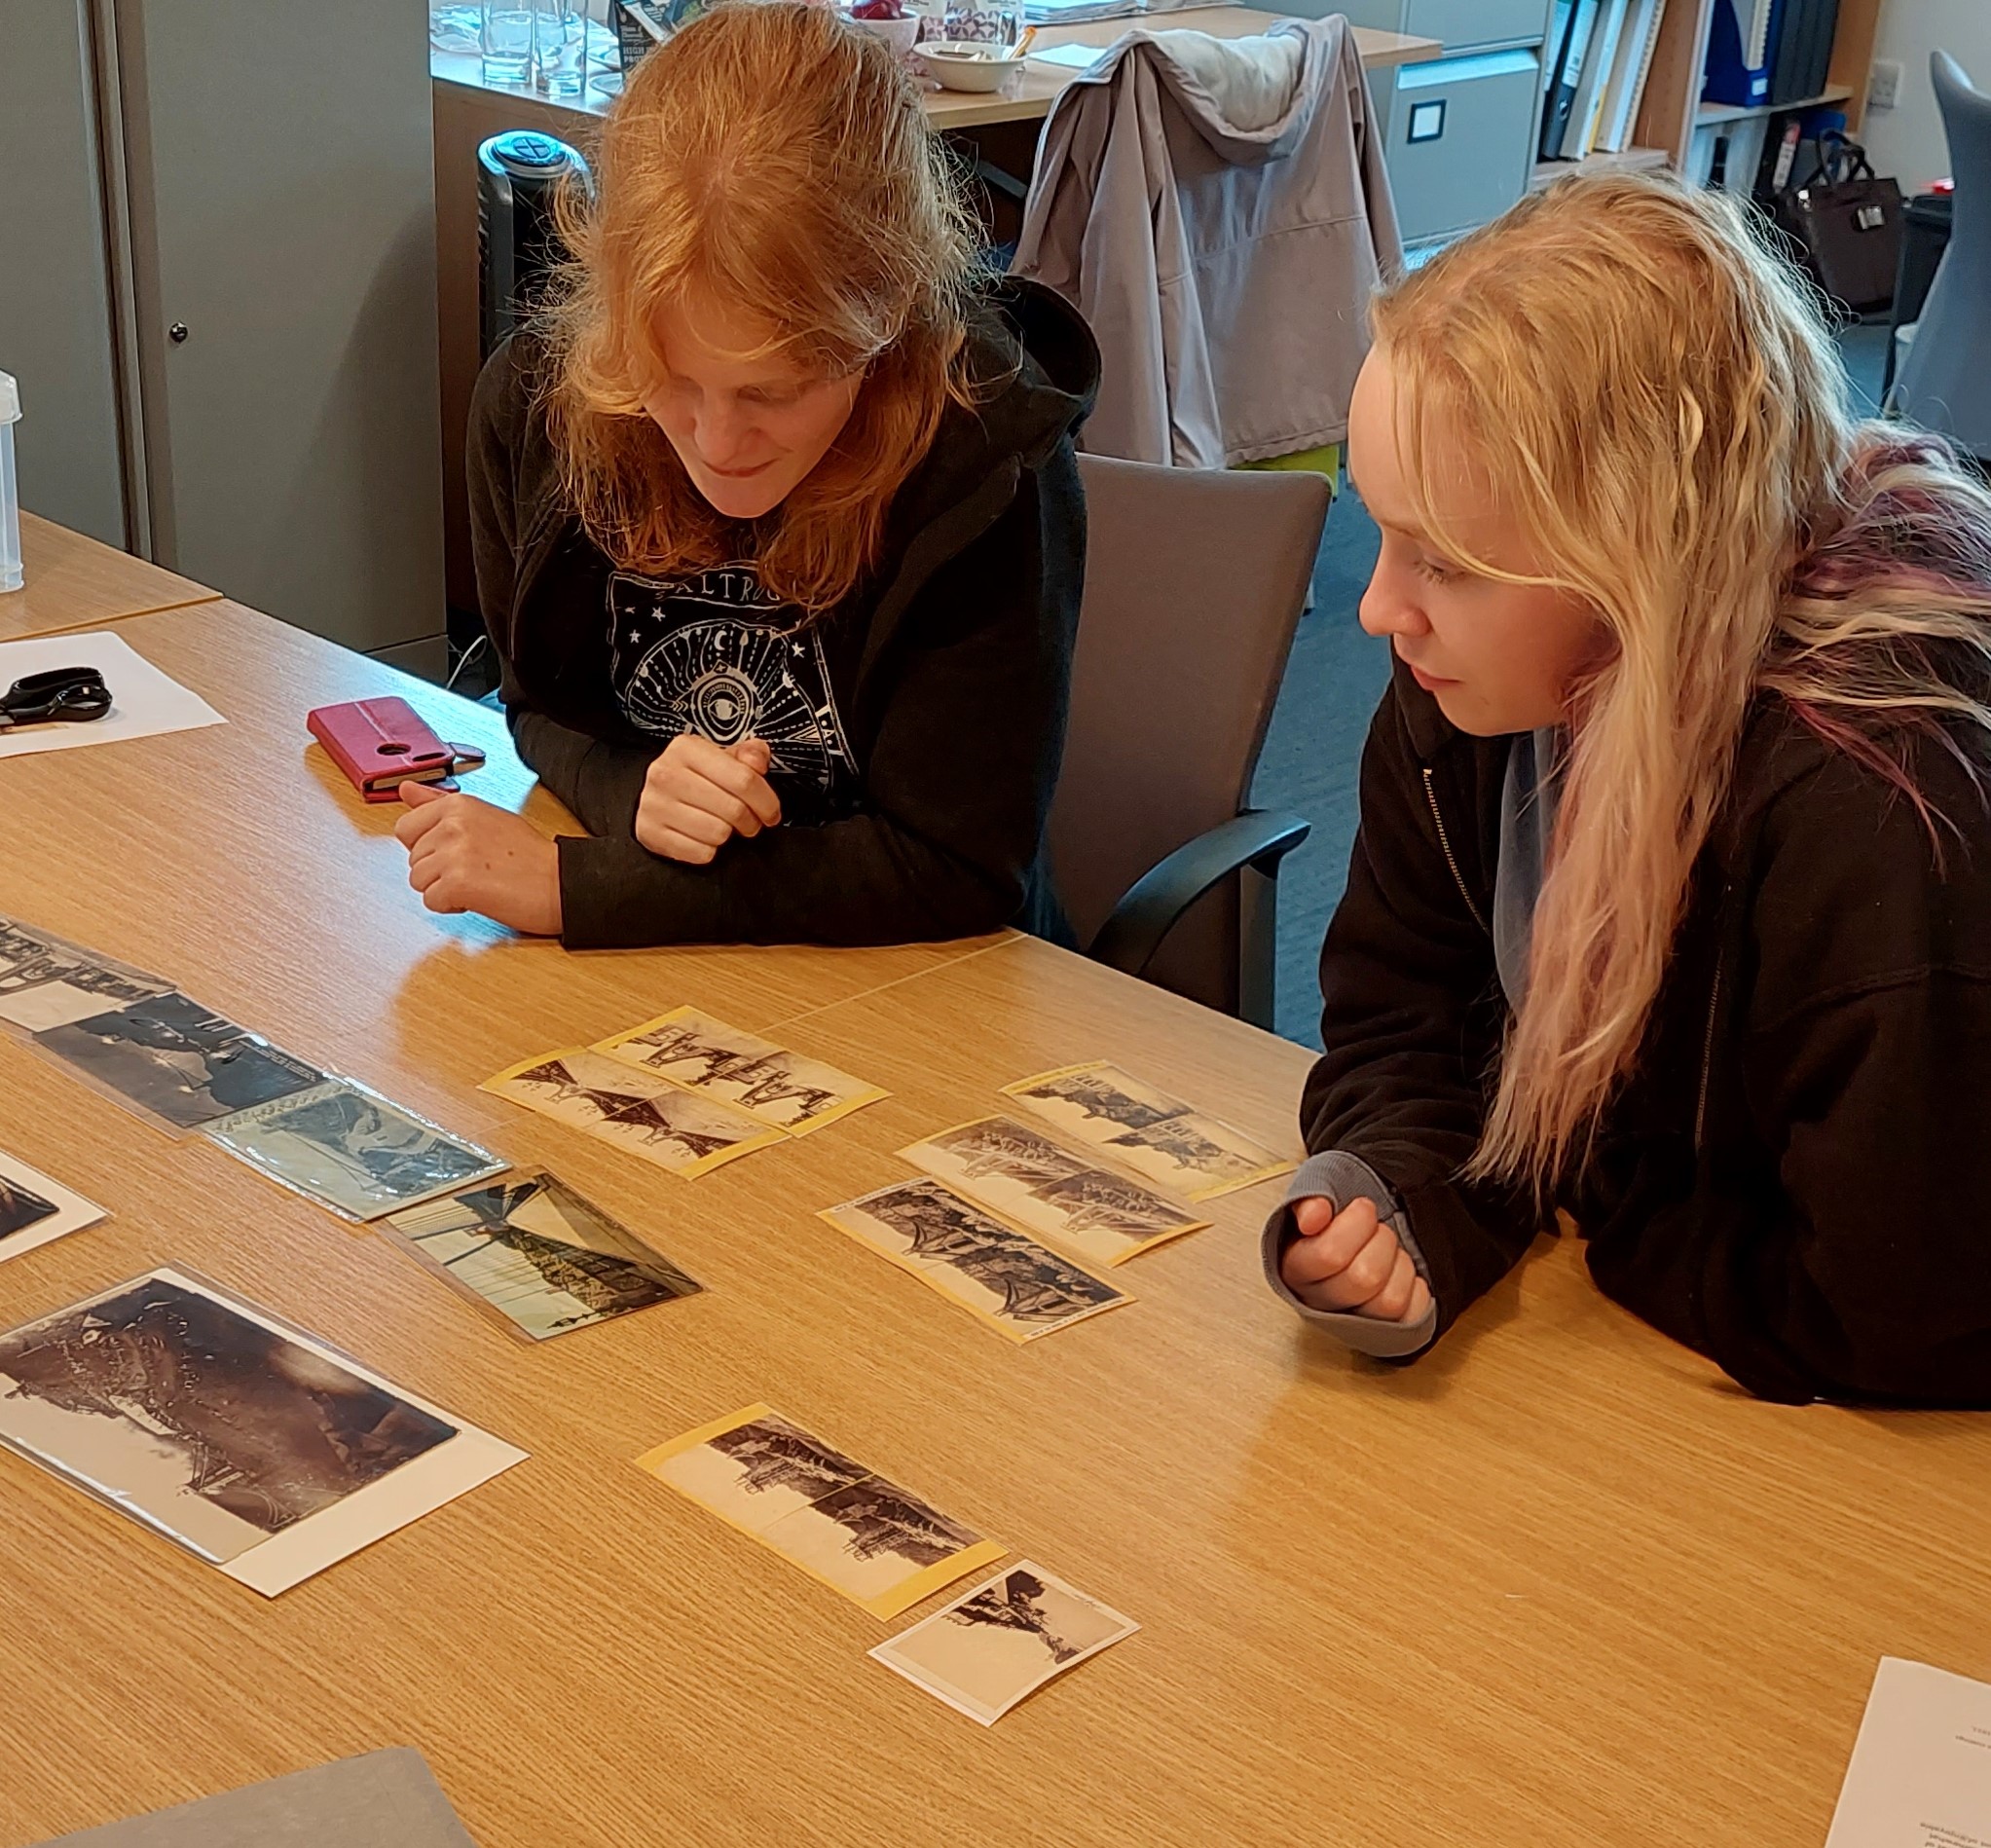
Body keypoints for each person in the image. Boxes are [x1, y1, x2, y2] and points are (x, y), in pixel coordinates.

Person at [1265, 170, 1991, 1408]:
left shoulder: (1878, 809)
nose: (1378, 608)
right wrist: (1407, 1199)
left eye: (1443, 561)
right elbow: (1402, 1020)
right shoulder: (1474, 679)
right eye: (1380, 531)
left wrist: (1611, 1202)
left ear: (1635, 569)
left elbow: (1896, 1315)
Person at [394, 1, 1097, 947]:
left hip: (932, 974)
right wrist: (638, 789)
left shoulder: (983, 461)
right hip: (704, 961)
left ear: (883, 314)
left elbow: (957, 867)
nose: (718, 441)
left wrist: (589, 887)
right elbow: (537, 705)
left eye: (775, 390)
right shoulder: (538, 404)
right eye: (671, 381)